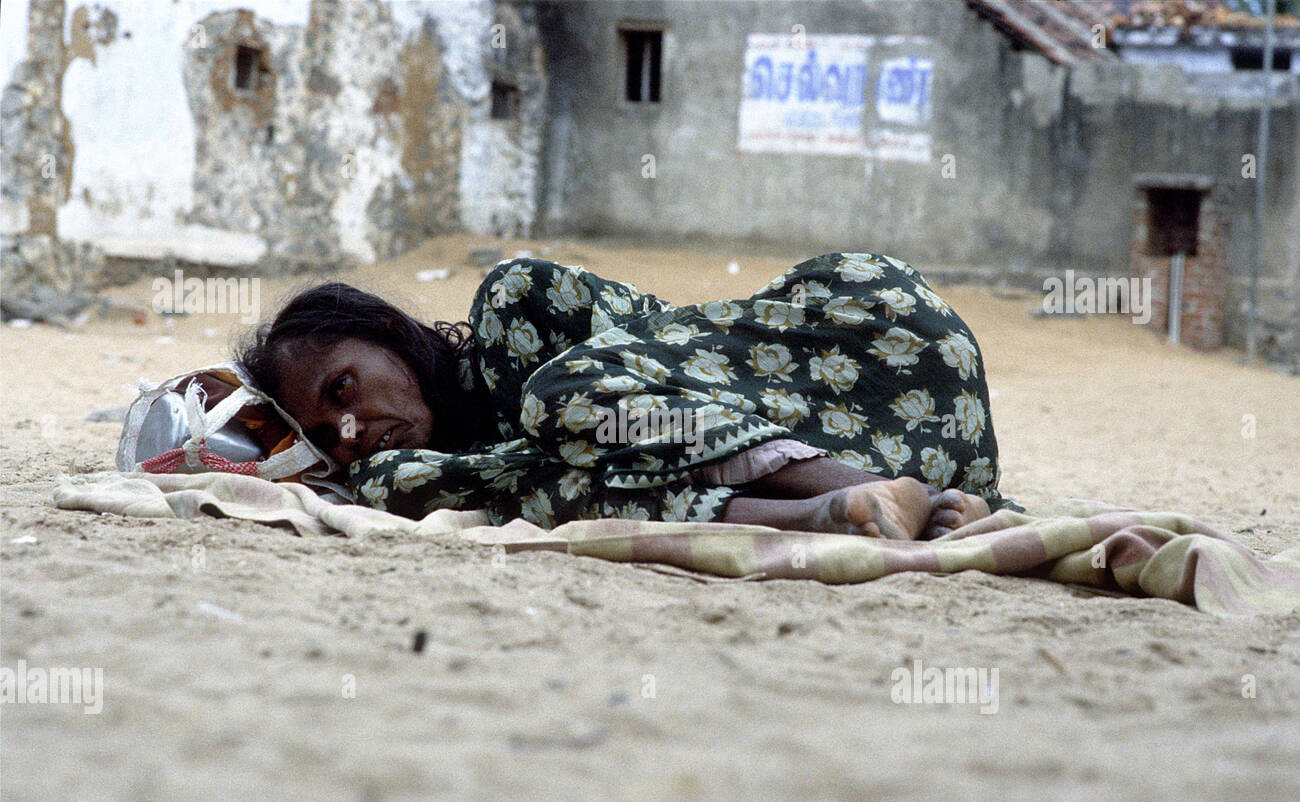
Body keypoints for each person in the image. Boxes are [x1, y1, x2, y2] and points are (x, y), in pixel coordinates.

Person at [236, 252, 1017, 539]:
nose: (349, 428)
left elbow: (657, 380)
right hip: (927, 465)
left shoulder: (514, 302)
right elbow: (563, 484)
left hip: (869, 339)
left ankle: (851, 491)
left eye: (344, 387)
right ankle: (855, 509)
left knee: (562, 408)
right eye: (325, 435)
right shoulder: (440, 466)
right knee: (563, 487)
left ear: (386, 334)